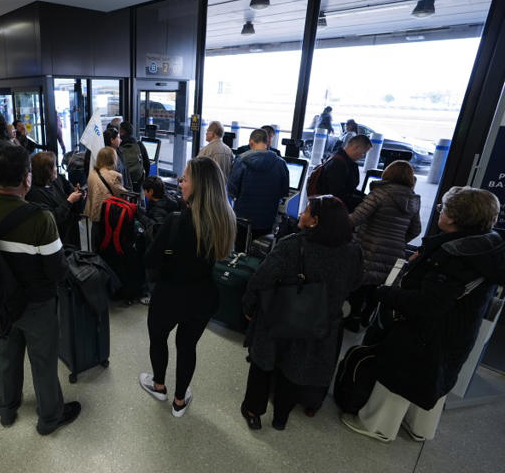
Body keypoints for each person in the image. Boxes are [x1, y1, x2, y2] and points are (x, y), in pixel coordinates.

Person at [342, 187, 504, 442]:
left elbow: (428, 303)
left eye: (442, 208)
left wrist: (384, 293)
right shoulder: (489, 246)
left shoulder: (452, 254)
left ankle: (378, 426)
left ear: (452, 218)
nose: (439, 211)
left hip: (424, 332)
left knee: (399, 377)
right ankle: (420, 428)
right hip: (459, 330)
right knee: (438, 379)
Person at [0, 145, 81, 435]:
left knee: (6, 356)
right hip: (36, 304)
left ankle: (7, 409)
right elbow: (57, 269)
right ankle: (49, 416)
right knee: (43, 360)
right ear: (26, 179)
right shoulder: (39, 218)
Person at [241, 195, 363, 431]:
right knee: (294, 369)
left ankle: (253, 411)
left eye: (306, 211)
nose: (302, 214)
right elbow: (355, 283)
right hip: (319, 322)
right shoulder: (352, 251)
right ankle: (281, 418)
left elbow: (262, 278)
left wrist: (249, 305)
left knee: (263, 365)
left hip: (279, 315)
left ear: (314, 221)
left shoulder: (292, 245)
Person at [140, 156, 236, 417]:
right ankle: (180, 402)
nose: (181, 184)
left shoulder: (175, 221)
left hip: (169, 294)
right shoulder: (225, 220)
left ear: (200, 185)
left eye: (185, 178)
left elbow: (150, 260)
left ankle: (159, 386)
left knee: (159, 338)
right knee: (187, 347)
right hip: (203, 296)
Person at [345, 160, 421, 331]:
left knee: (360, 285)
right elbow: (416, 230)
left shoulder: (379, 194)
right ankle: (367, 319)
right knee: (380, 288)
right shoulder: (414, 199)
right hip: (396, 254)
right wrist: (398, 241)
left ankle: (353, 319)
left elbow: (355, 219)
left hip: (369, 248)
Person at [228, 128, 289, 239]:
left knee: (240, 250)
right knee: (261, 250)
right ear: (267, 143)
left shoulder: (241, 161)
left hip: (243, 218)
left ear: (251, 142)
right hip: (267, 218)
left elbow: (232, 189)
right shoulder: (281, 163)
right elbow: (284, 191)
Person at [26, 151, 84, 247]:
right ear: (46, 170)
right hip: (56, 238)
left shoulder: (58, 179)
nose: (57, 169)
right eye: (54, 167)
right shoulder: (35, 193)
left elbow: (71, 190)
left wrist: (78, 192)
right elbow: (52, 218)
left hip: (70, 232)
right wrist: (69, 201)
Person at [318, 134, 372, 212]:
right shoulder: (338, 164)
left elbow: (347, 190)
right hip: (331, 213)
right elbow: (336, 195)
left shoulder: (338, 158)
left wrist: (366, 198)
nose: (362, 156)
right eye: (363, 152)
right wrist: (364, 202)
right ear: (356, 147)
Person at [85, 146, 124, 223]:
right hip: (107, 216)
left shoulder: (92, 173)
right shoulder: (114, 176)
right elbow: (122, 195)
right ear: (112, 160)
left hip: (94, 213)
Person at [118, 121, 150, 193]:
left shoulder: (118, 146)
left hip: (124, 183)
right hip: (137, 180)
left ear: (122, 132)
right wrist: (144, 179)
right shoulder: (139, 144)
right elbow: (147, 163)